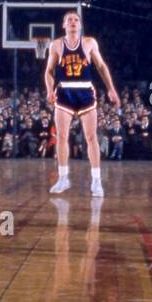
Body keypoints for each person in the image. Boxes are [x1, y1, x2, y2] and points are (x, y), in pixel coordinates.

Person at [45, 12, 119, 197]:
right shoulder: (56, 44)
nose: (72, 22)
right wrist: (48, 89)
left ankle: (96, 181)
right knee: (61, 137)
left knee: (91, 137)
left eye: (76, 20)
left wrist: (111, 89)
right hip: (64, 91)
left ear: (80, 25)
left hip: (85, 91)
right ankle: (63, 178)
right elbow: (48, 71)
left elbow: (101, 67)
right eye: (69, 20)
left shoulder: (89, 43)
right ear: (63, 25)